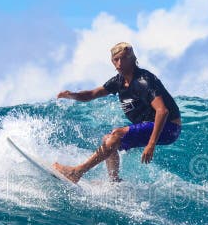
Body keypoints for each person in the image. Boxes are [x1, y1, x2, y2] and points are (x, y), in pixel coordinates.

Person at [53, 42, 182, 183]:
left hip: (169, 127)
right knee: (108, 140)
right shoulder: (119, 81)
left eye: (124, 58)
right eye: (116, 59)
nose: (119, 63)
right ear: (112, 61)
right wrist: (72, 95)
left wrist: (151, 145)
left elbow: (162, 111)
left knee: (116, 134)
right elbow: (92, 94)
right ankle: (114, 182)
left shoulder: (144, 80)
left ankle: (76, 172)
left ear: (132, 59)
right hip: (150, 125)